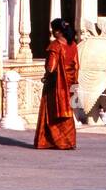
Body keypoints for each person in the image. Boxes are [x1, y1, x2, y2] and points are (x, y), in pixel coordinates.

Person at [34, 18, 79, 150]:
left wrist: (45, 77)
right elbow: (76, 65)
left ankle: (49, 141)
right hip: (71, 84)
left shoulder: (56, 46)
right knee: (68, 113)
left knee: (52, 113)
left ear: (58, 31)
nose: (53, 32)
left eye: (53, 30)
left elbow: (51, 68)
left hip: (56, 85)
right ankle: (69, 141)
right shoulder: (73, 45)